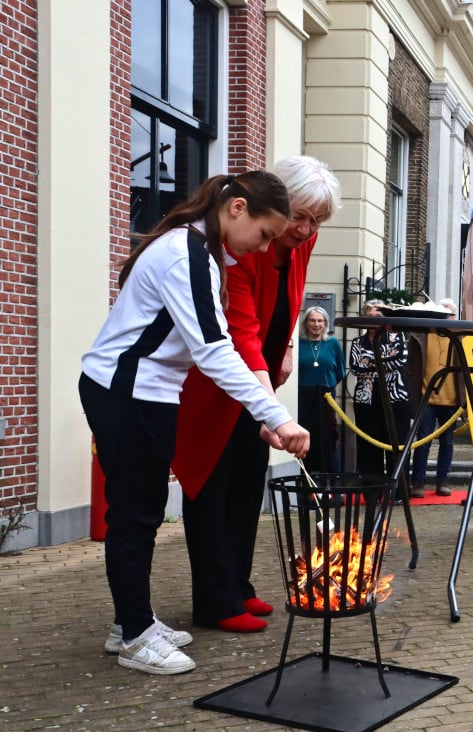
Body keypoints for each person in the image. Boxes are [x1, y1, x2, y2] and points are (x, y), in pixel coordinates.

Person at [79, 171, 310, 676]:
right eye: (265, 234)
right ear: (237, 209)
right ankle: (136, 636)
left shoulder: (201, 251)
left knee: (143, 510)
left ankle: (129, 622)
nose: (262, 247)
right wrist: (276, 416)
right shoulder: (188, 254)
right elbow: (213, 350)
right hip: (126, 392)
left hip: (147, 393)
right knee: (136, 517)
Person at [174, 156, 341, 633]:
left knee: (248, 482)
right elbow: (242, 331)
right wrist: (272, 410)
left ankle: (238, 587)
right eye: (301, 217)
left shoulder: (299, 241)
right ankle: (214, 600)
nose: (307, 229)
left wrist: (286, 346)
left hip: (262, 375)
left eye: (317, 221)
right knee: (213, 483)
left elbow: (292, 296)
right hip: (222, 382)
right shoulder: (245, 248)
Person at [349, 299, 411, 482]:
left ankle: (398, 490)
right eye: (369, 316)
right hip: (366, 401)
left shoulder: (396, 336)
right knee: (369, 447)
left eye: (377, 316)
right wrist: (382, 361)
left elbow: (399, 360)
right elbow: (355, 367)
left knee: (396, 444)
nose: (373, 319)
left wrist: (369, 361)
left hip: (395, 399)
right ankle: (372, 490)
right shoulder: (357, 342)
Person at [410, 299, 463, 497]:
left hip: (451, 399)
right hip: (426, 398)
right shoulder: (422, 335)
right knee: (423, 441)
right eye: (444, 314)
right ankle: (418, 482)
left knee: (447, 442)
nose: (448, 318)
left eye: (451, 315)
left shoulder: (460, 338)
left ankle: (443, 481)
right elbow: (412, 366)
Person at [297, 306, 346, 473]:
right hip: (304, 397)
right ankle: (307, 480)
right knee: (306, 437)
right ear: (306, 323)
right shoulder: (299, 344)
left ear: (325, 324)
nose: (316, 324)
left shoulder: (332, 344)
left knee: (328, 438)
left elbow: (340, 371)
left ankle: (330, 482)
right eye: (312, 320)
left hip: (326, 396)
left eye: (320, 321)